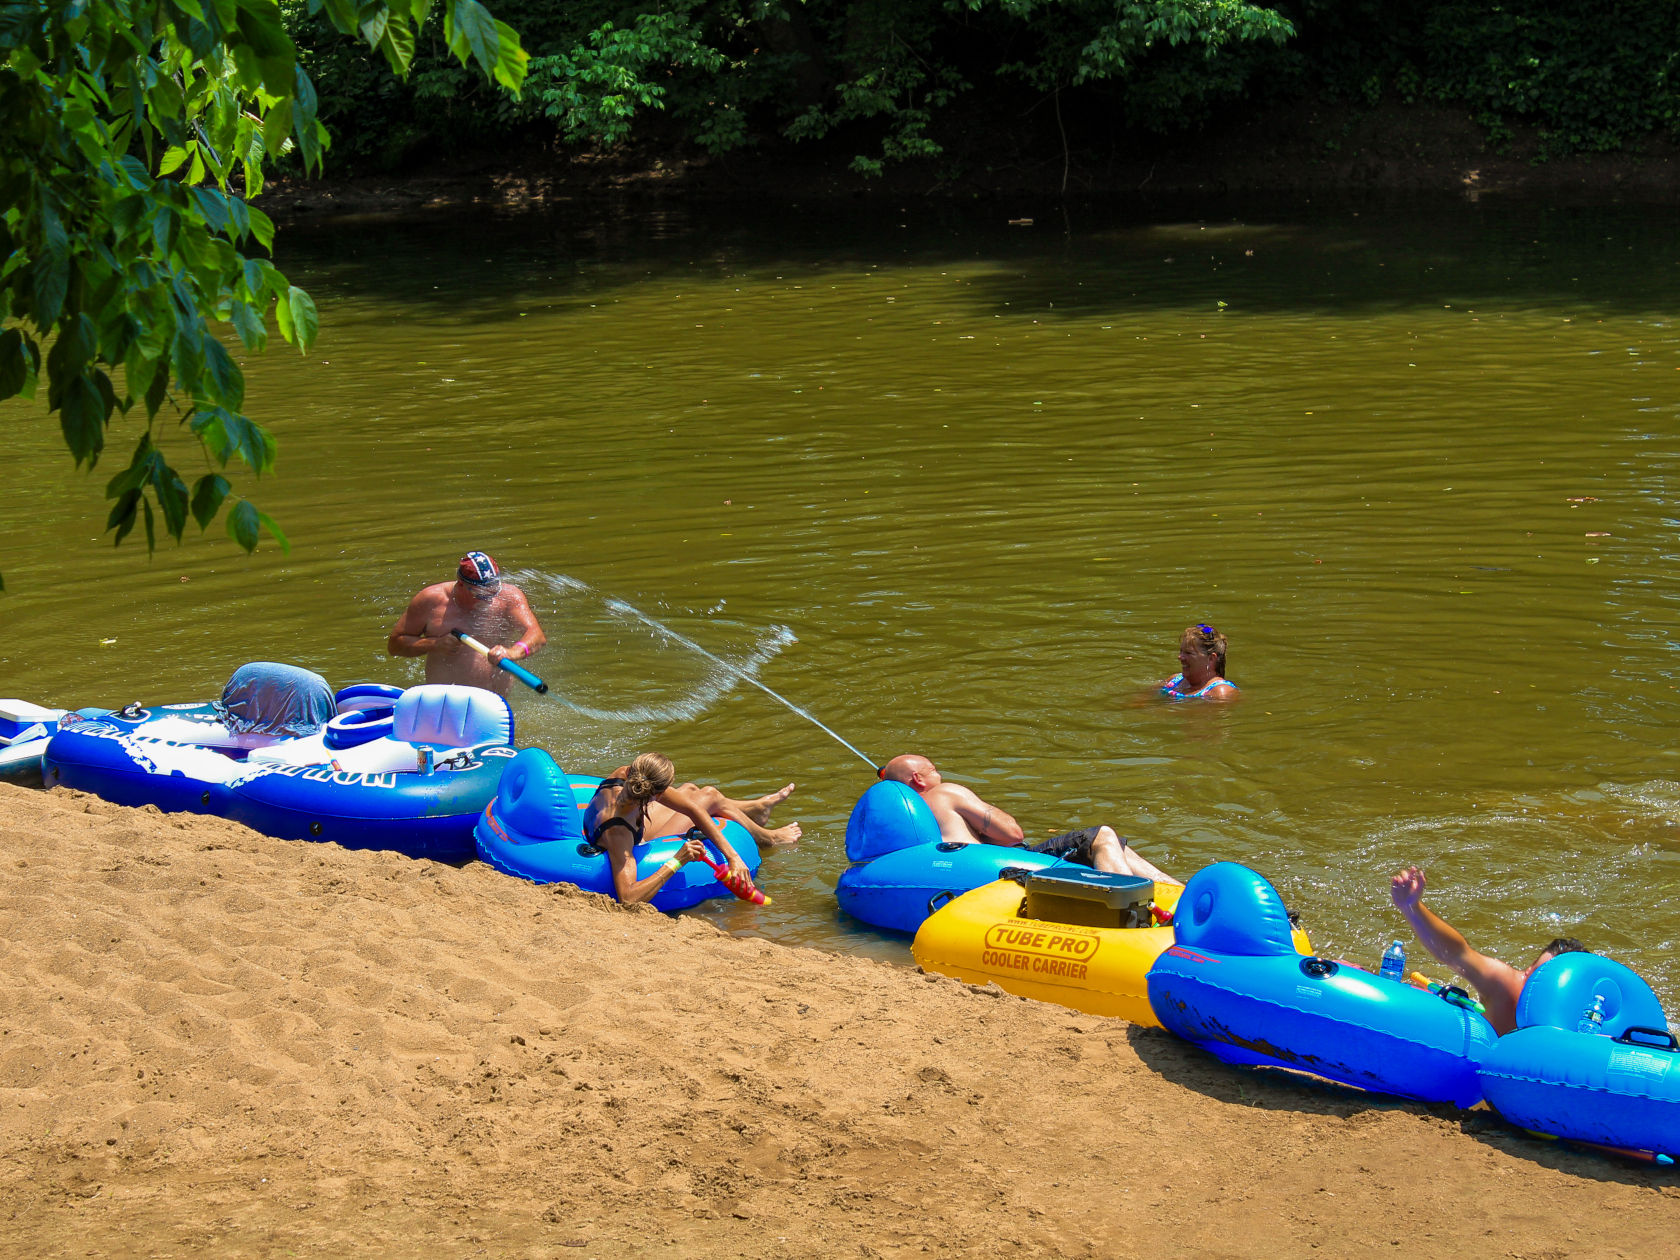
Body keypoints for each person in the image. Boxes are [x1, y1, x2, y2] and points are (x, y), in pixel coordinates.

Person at [879, 754, 1177, 884]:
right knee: (1100, 835)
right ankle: (1126, 903)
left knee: (1114, 850)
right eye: (933, 769)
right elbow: (1011, 833)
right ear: (918, 779)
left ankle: (1175, 893)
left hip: (959, 874)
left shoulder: (907, 818)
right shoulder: (944, 793)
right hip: (1000, 869)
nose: (938, 773)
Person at [1389, 865, 1591, 1035]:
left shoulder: (1581, 1023)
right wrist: (1412, 908)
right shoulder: (1508, 987)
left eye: (1541, 985)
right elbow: (1458, 954)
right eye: (1530, 976)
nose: (1528, 987)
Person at [582, 753, 788, 905]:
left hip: (627, 816)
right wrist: (676, 861)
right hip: (629, 832)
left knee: (690, 789)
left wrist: (733, 857)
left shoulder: (624, 775)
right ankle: (767, 837)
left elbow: (690, 808)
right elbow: (628, 898)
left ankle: (756, 810)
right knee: (709, 795)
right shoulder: (619, 833)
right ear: (657, 794)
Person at [387, 552, 547, 697]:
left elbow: (537, 635)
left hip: (496, 705)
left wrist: (512, 653)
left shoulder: (509, 597)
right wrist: (434, 644)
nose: (489, 599)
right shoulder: (431, 600)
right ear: (461, 584)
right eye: (481, 594)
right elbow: (395, 645)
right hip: (445, 701)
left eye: (493, 591)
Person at [1160, 623, 1239, 701]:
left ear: (1211, 658)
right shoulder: (1174, 680)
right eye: (1181, 651)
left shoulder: (1221, 692)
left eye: (1188, 653)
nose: (1180, 657)